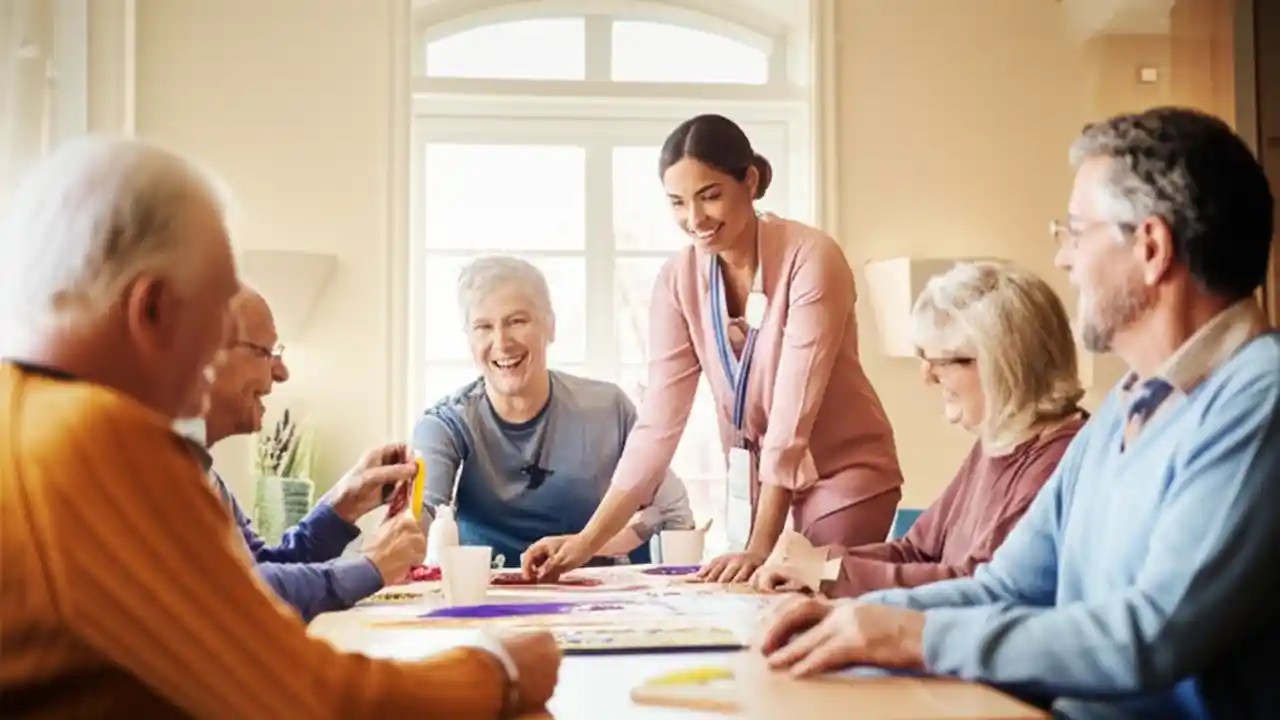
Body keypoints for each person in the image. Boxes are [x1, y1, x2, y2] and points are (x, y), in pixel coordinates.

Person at [0, 136, 558, 717]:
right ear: (154, 310)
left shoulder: (30, 414)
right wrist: (499, 672)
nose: (221, 346)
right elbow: (304, 697)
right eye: (219, 310)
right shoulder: (96, 441)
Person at [755, 107, 1279, 719]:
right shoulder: (1126, 408)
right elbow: (1005, 588)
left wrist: (907, 636)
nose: (1063, 260)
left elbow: (1149, 635)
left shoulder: (1258, 402)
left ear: (1151, 247)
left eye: (1076, 233)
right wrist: (849, 617)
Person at [523, 114, 904, 584]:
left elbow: (790, 419)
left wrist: (759, 548)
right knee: (749, 606)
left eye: (710, 196)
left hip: (841, 477)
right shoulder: (679, 280)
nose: (695, 219)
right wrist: (586, 542)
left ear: (750, 180)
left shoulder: (811, 258)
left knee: (806, 604)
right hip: (759, 487)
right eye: (678, 203)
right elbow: (657, 424)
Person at [752, 261, 1086, 596]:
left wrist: (828, 574)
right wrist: (819, 560)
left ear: (1001, 364)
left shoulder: (1059, 459)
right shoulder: (1001, 441)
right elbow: (915, 551)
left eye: (940, 361)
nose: (927, 376)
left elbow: (980, 586)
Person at [413, 256, 695, 568]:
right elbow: (417, 517)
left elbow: (672, 511)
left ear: (550, 326)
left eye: (517, 321)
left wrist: (590, 544)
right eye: (483, 327)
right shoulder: (445, 425)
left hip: (598, 602)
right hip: (489, 602)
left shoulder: (607, 408)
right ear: (468, 337)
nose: (502, 342)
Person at [174, 287, 426, 621]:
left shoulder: (198, 469)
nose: (281, 373)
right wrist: (369, 566)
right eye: (265, 352)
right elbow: (233, 587)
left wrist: (341, 506)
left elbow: (262, 566)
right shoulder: (151, 464)